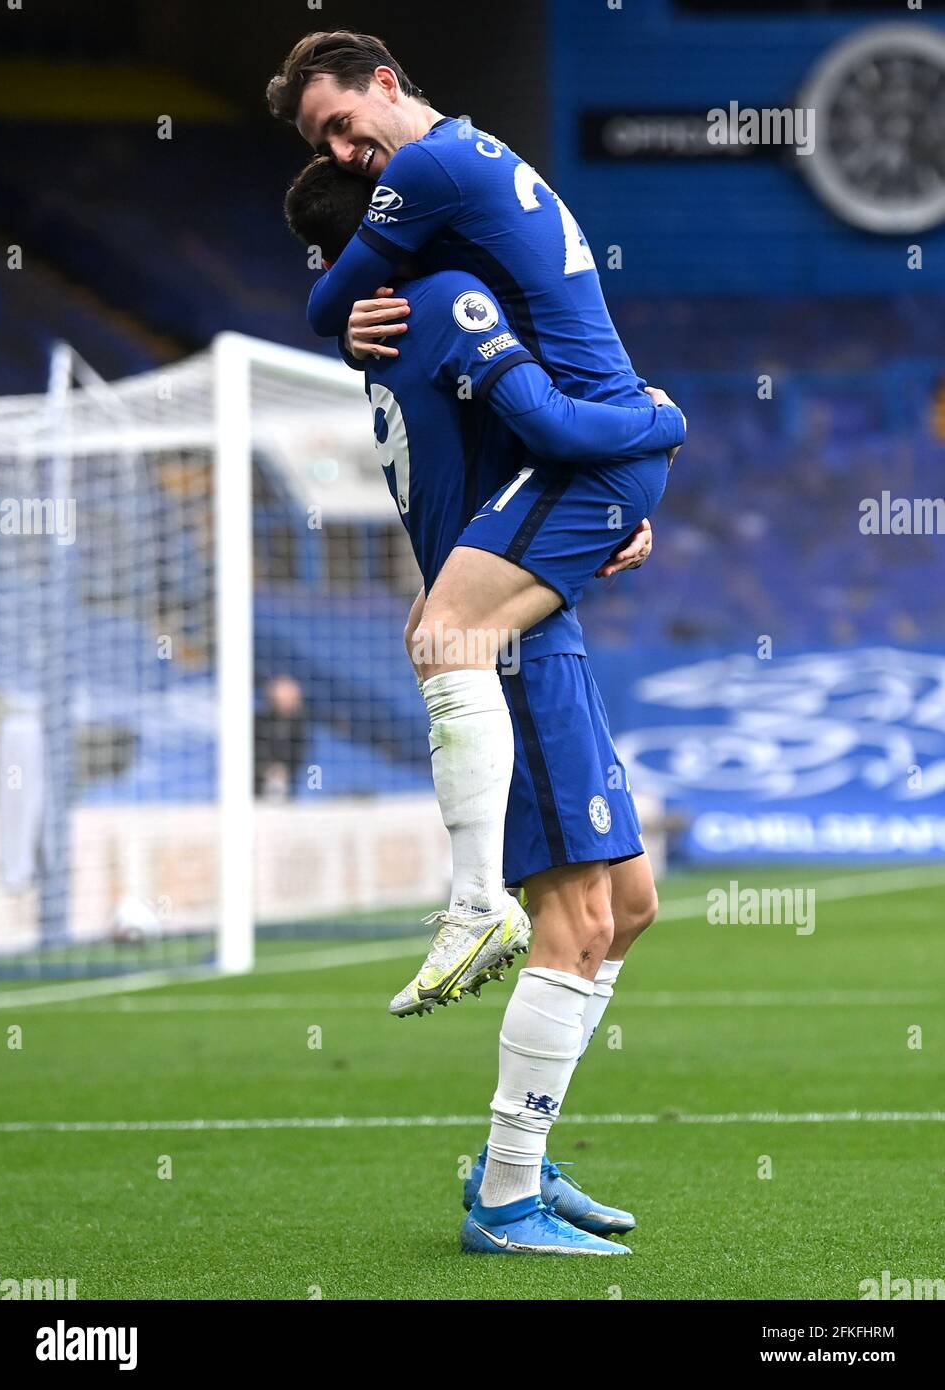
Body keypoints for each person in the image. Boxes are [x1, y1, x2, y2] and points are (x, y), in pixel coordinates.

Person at [285, 158, 671, 1256]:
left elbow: (514, 467)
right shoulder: (447, 299)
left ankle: (522, 1161)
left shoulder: (384, 329)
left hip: (530, 611)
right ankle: (505, 1196)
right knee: (579, 921)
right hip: (510, 645)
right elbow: (553, 428)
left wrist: (599, 527)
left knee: (628, 904)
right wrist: (658, 416)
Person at [267, 37, 683, 996]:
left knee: (440, 627)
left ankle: (470, 906)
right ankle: (513, 1148)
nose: (338, 149)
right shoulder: (449, 283)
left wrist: (339, 319)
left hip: (579, 469)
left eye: (339, 123)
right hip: (573, 478)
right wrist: (652, 430)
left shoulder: (429, 189)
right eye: (321, 140)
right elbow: (527, 420)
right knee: (612, 912)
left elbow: (327, 299)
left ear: (385, 82)